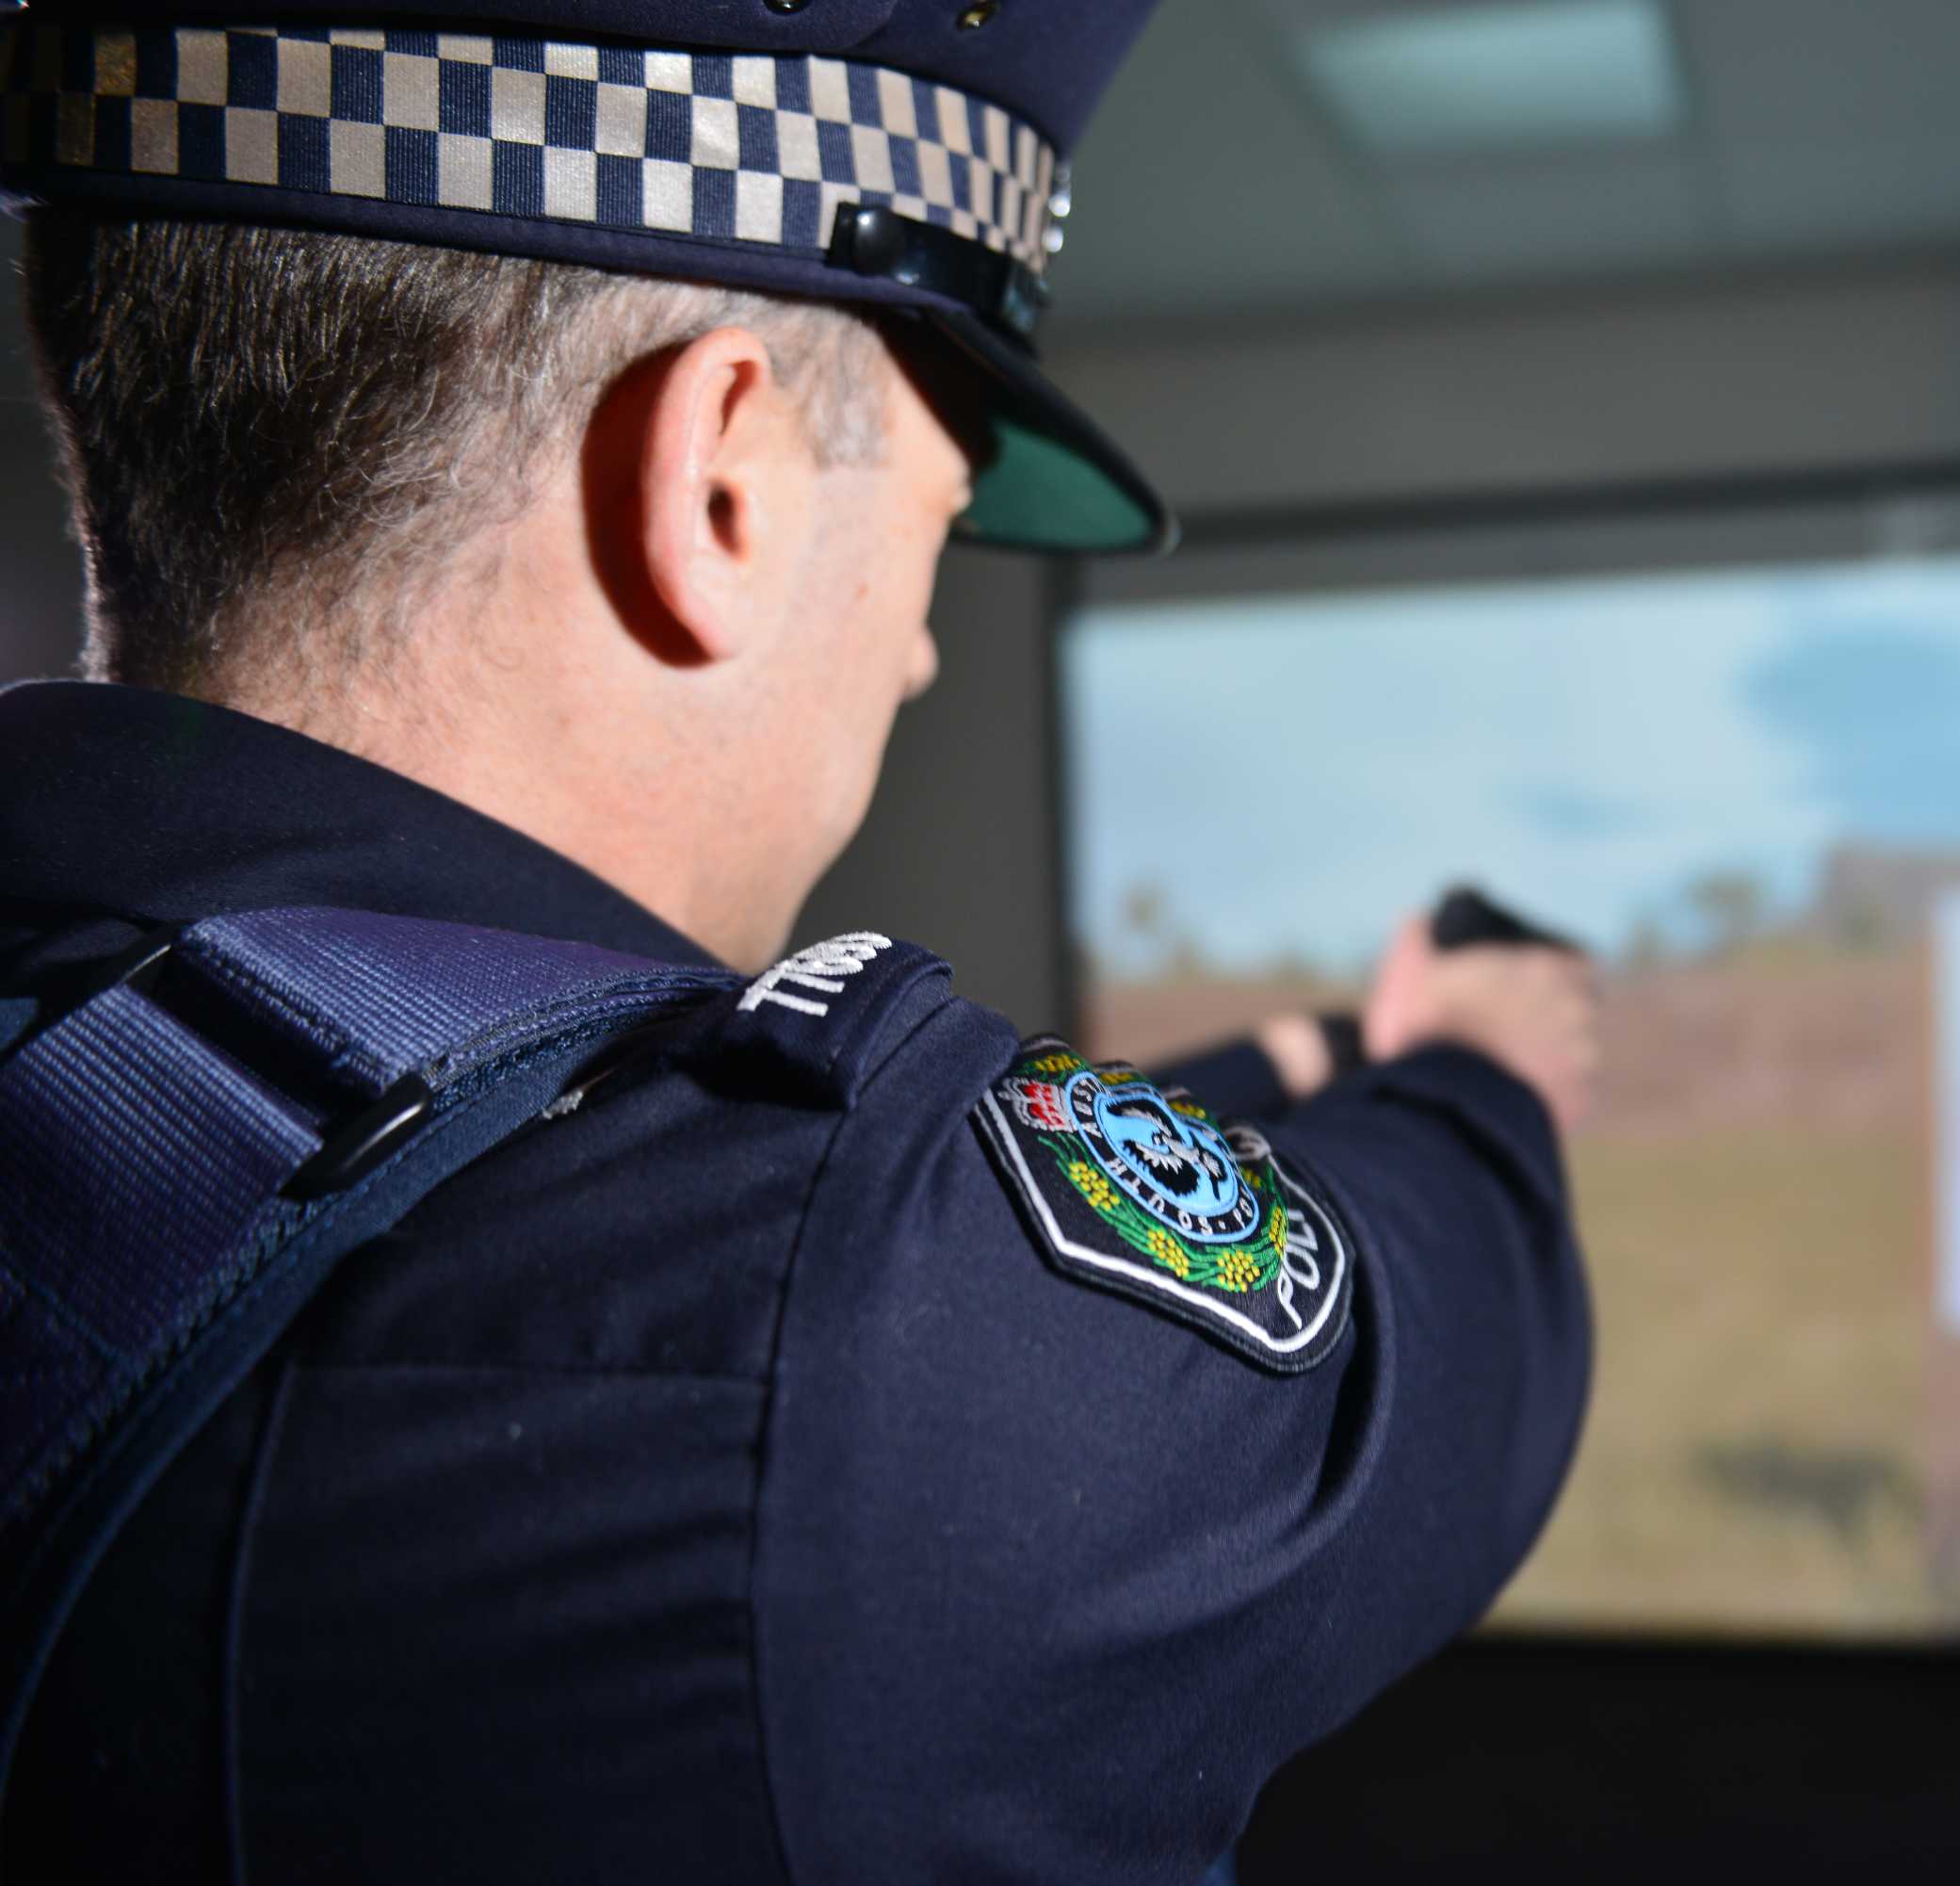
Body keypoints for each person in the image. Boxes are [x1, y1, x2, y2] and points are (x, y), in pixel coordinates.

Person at [0, 6, 1596, 1881]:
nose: (919, 650)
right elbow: (1424, 1367)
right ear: (722, 485)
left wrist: (1267, 1075)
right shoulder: (851, 1366)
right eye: (932, 526)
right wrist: (1482, 1058)